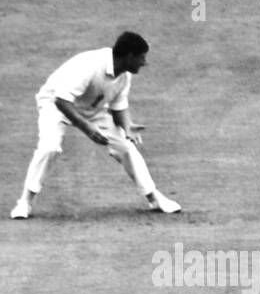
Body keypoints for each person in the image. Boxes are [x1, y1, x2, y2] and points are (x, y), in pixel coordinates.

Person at [11, 31, 181, 219]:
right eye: (141, 58)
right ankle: (24, 202)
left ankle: (154, 197)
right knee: (50, 147)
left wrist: (127, 126)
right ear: (129, 56)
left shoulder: (124, 75)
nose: (144, 62)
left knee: (125, 147)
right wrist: (87, 128)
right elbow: (62, 101)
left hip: (91, 107)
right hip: (55, 103)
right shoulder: (91, 66)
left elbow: (118, 107)